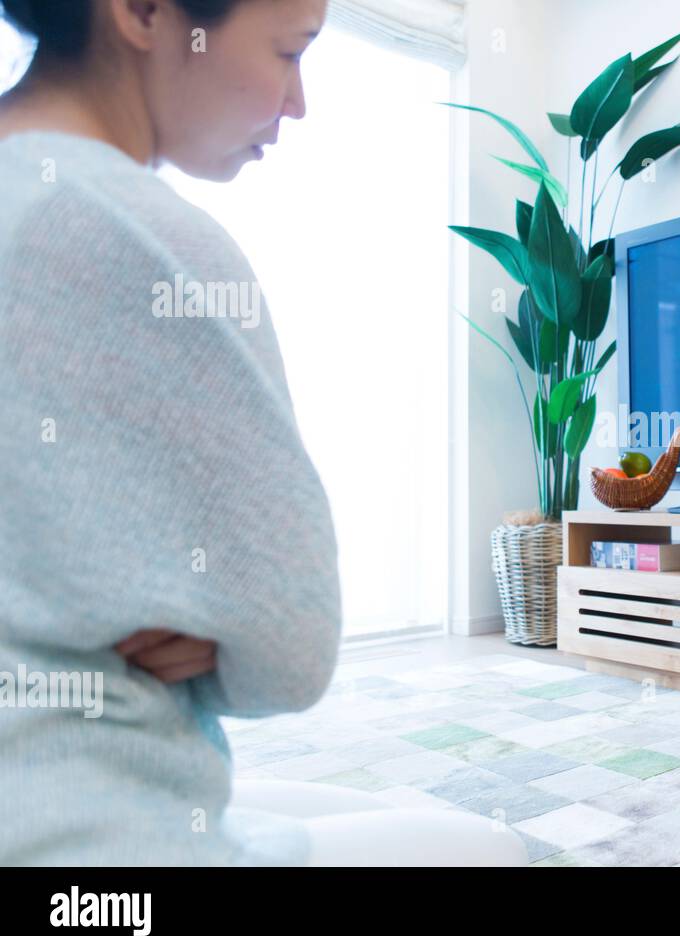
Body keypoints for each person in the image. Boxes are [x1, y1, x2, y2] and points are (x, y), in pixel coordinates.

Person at [0, 0, 524, 865]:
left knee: (358, 805)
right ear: (141, 11)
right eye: (289, 51)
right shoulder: (137, 233)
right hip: (85, 838)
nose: (299, 102)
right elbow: (291, 644)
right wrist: (220, 620)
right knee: (492, 849)